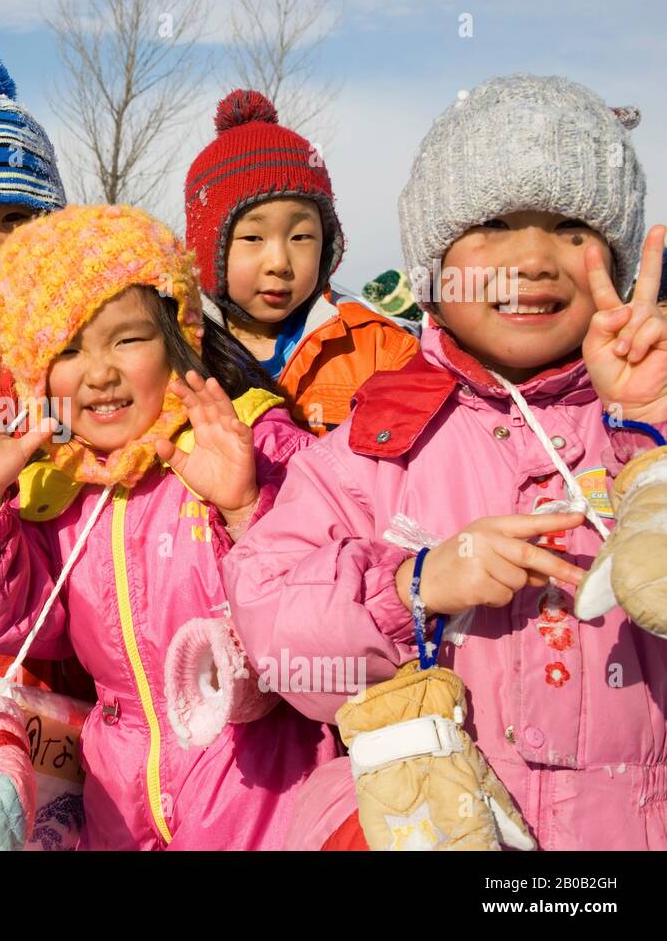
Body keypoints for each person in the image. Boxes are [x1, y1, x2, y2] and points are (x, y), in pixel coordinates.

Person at [223, 75, 667, 849]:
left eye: (570, 226)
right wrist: (413, 585)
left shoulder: (651, 412)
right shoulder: (380, 442)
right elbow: (272, 628)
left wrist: (650, 445)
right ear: (434, 261)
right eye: (493, 223)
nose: (532, 259)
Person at [0, 205, 336, 849]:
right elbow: (15, 622)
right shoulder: (61, 485)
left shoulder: (249, 443)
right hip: (120, 795)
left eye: (127, 339)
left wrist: (246, 507)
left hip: (264, 787)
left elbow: (323, 616)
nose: (100, 372)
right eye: (69, 350)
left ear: (177, 336)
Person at [185, 89, 418, 435]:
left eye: (301, 237)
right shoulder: (179, 346)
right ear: (209, 250)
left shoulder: (379, 351)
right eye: (253, 238)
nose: (279, 262)